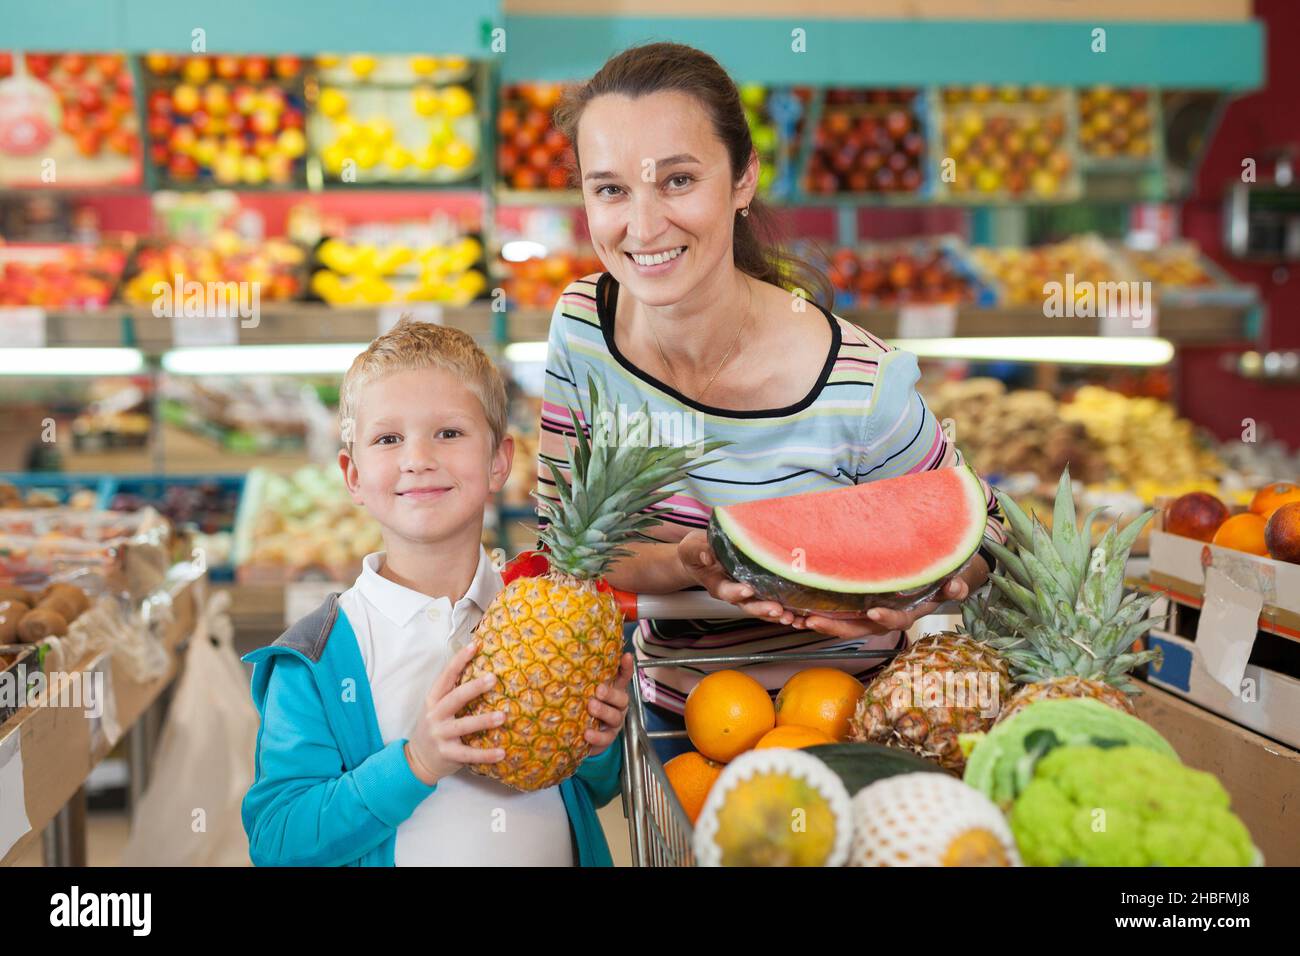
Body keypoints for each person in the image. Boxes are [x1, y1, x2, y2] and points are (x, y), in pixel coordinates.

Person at [538, 43, 1007, 762]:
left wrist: (935, 585)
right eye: (610, 189)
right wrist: (692, 562)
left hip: (852, 729)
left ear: (743, 179)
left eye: (678, 179)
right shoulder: (580, 330)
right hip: (679, 727)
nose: (643, 223)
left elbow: (983, 529)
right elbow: (574, 549)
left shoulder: (858, 382)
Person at [242, 320, 629, 866]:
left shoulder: (555, 620)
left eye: (448, 433)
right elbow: (279, 841)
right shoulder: (316, 658)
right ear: (352, 475)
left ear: (499, 460)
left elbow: (588, 789)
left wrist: (598, 746)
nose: (418, 458)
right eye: (387, 438)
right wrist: (415, 763)